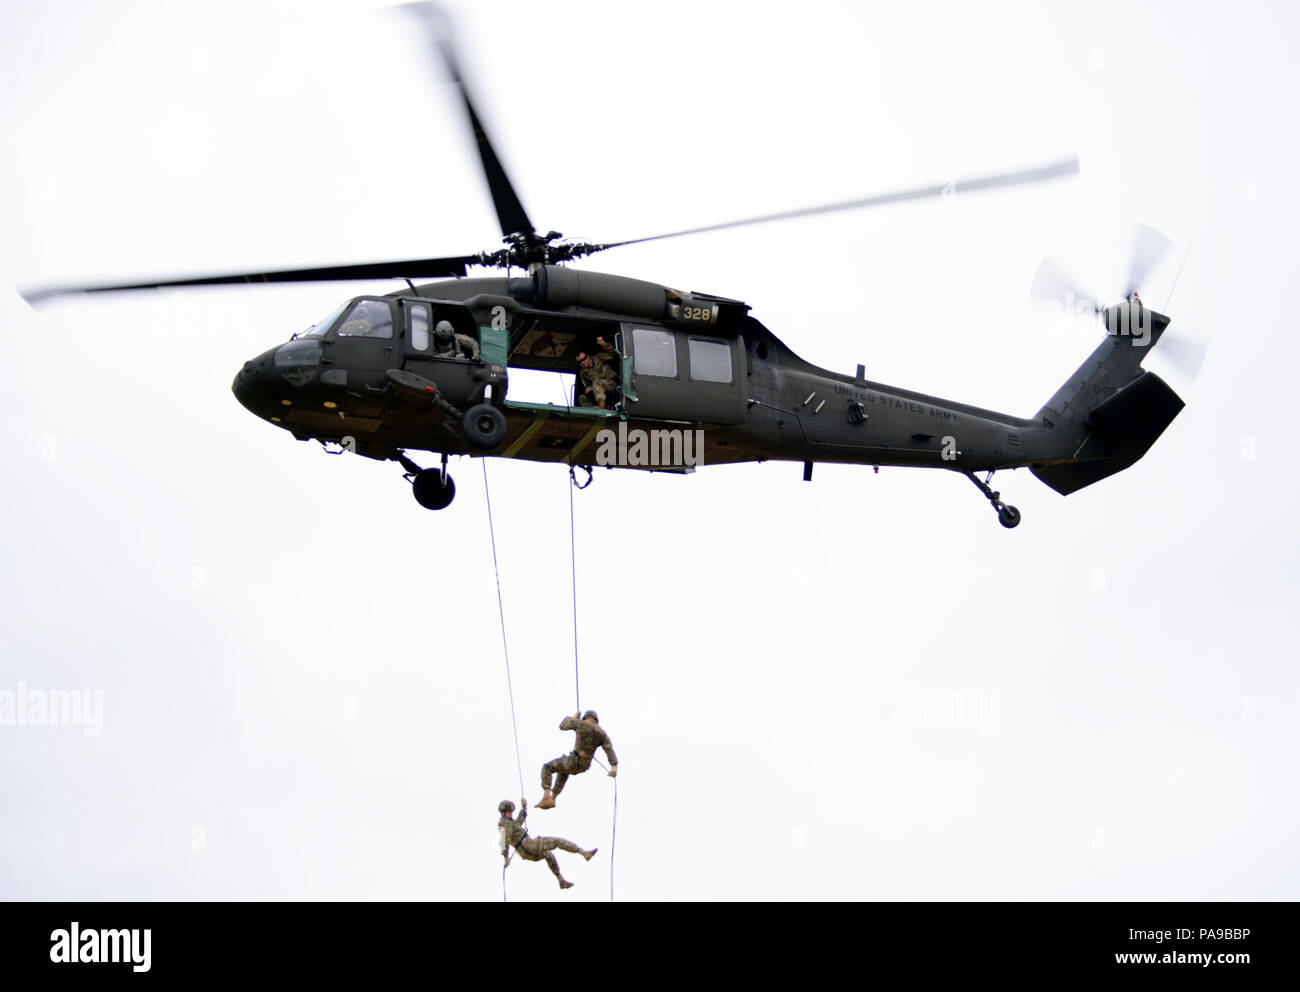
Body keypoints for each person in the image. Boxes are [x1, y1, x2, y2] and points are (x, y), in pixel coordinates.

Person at [497, 798, 596, 889]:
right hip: (529, 845)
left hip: (526, 853)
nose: (511, 814)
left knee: (548, 855)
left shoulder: (509, 823)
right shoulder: (505, 824)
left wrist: (523, 808)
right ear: (503, 812)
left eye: (511, 812)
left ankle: (561, 881)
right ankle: (583, 853)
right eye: (509, 812)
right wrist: (506, 857)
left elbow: (518, 823)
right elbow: (504, 841)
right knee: (557, 841)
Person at [537, 710, 618, 810]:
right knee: (563, 771)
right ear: (596, 720)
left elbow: (562, 726)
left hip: (575, 760)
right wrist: (614, 767)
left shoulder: (581, 723)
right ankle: (553, 798)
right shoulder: (601, 733)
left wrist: (572, 718)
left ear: (585, 717)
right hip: (584, 766)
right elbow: (609, 750)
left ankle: (546, 796)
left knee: (547, 767)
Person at [575, 336, 619, 409]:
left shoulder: (598, 357)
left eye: (584, 359)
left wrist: (603, 344)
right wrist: (587, 389)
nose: (583, 362)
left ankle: (601, 409)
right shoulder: (583, 372)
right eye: (580, 361)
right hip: (599, 391)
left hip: (611, 384)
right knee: (582, 397)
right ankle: (593, 411)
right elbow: (587, 385)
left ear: (588, 356)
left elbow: (612, 353)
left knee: (597, 382)